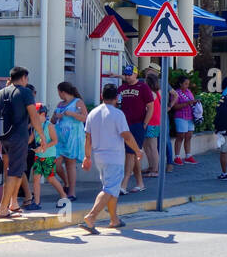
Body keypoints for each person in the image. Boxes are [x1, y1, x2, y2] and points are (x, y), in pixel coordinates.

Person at [80, 83, 142, 232]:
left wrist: (87, 157)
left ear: (102, 96)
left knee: (111, 188)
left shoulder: (92, 113)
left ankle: (114, 220)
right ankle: (91, 216)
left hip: (99, 157)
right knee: (109, 189)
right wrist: (137, 150)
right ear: (116, 98)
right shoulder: (117, 114)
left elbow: (88, 138)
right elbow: (126, 135)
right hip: (114, 157)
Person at [0, 66, 45, 219]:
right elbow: (34, 116)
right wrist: (41, 135)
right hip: (19, 138)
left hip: (4, 138)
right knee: (14, 173)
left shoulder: (1, 93)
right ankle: (2, 208)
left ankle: (13, 203)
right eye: (27, 78)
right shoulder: (25, 92)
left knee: (17, 171)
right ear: (23, 78)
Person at [116, 65, 152, 193]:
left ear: (135, 74)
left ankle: (124, 184)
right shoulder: (121, 88)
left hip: (137, 124)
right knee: (133, 153)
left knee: (130, 153)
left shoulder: (143, 87)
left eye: (129, 74)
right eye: (125, 74)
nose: (127, 76)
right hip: (124, 125)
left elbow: (150, 107)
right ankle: (140, 183)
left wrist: (145, 123)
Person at [26, 102, 67, 206]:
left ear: (42, 114)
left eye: (35, 115)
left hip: (48, 156)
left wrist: (43, 147)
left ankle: (63, 196)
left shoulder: (49, 126)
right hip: (38, 156)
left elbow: (55, 141)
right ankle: (37, 202)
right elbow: (30, 138)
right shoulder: (36, 126)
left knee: (50, 178)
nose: (33, 117)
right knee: (36, 179)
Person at [52, 81, 87, 200]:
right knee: (55, 163)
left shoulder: (78, 102)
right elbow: (52, 120)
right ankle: (66, 183)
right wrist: (55, 116)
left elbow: (85, 117)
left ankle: (71, 192)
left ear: (63, 92)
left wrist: (71, 114)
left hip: (72, 136)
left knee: (70, 164)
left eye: (59, 92)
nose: (59, 95)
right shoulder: (60, 104)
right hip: (60, 137)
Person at [169, 75, 198, 165]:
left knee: (188, 136)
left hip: (190, 117)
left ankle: (188, 155)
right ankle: (177, 156)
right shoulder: (176, 93)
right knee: (180, 136)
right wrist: (188, 103)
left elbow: (192, 102)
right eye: (185, 84)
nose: (187, 86)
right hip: (180, 117)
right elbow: (174, 107)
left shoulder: (189, 92)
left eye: (188, 84)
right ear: (180, 84)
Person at [142, 74, 164, 177]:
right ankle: (151, 167)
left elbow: (147, 108)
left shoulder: (150, 93)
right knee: (147, 146)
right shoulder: (158, 92)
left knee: (151, 146)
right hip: (156, 121)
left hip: (151, 122)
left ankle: (155, 169)